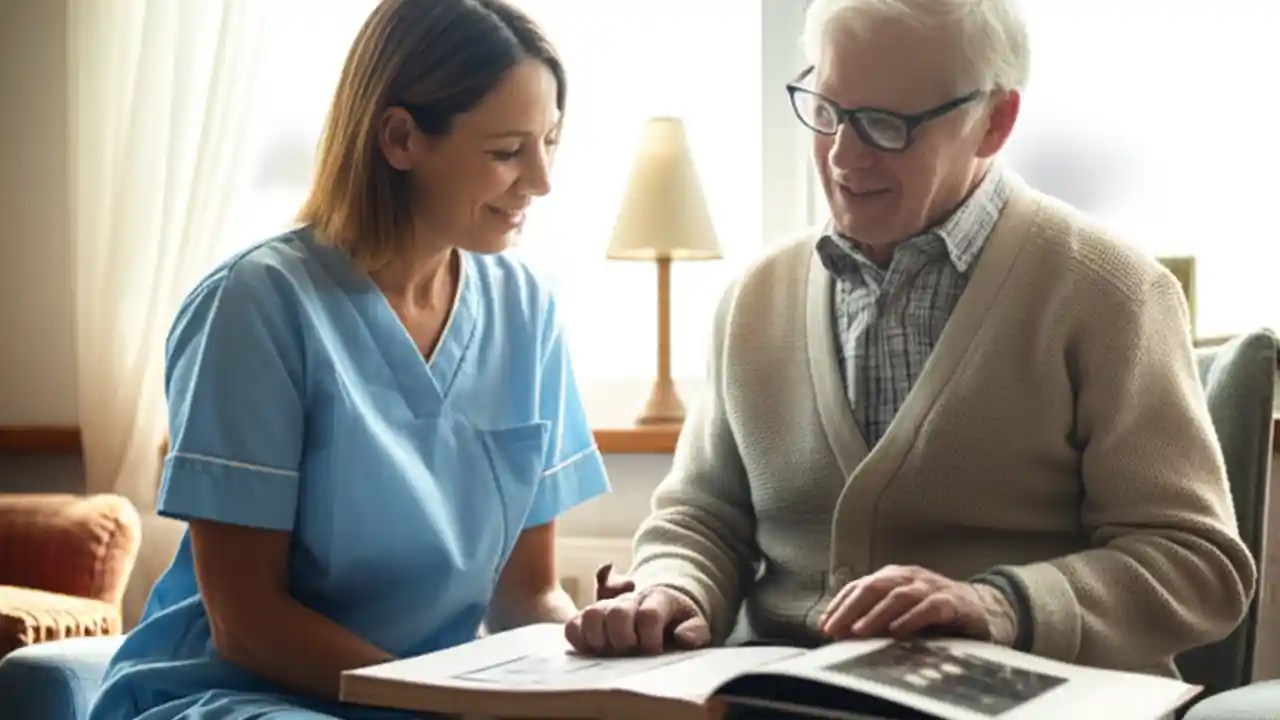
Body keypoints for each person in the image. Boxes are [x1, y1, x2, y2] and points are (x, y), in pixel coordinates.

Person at [567, 0, 1255, 679]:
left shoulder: (1112, 294)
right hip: (781, 700)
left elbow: (1197, 567)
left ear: (995, 121)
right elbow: (703, 516)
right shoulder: (752, 299)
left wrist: (995, 606)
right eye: (829, 110)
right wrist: (672, 589)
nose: (842, 154)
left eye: (886, 125)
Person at [87, 1, 608, 718]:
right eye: (506, 151)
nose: (541, 181)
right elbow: (247, 624)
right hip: (239, 696)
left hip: (423, 704)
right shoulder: (257, 305)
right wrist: (434, 705)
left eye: (550, 141)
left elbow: (525, 596)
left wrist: (598, 652)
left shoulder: (527, 311)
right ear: (399, 138)